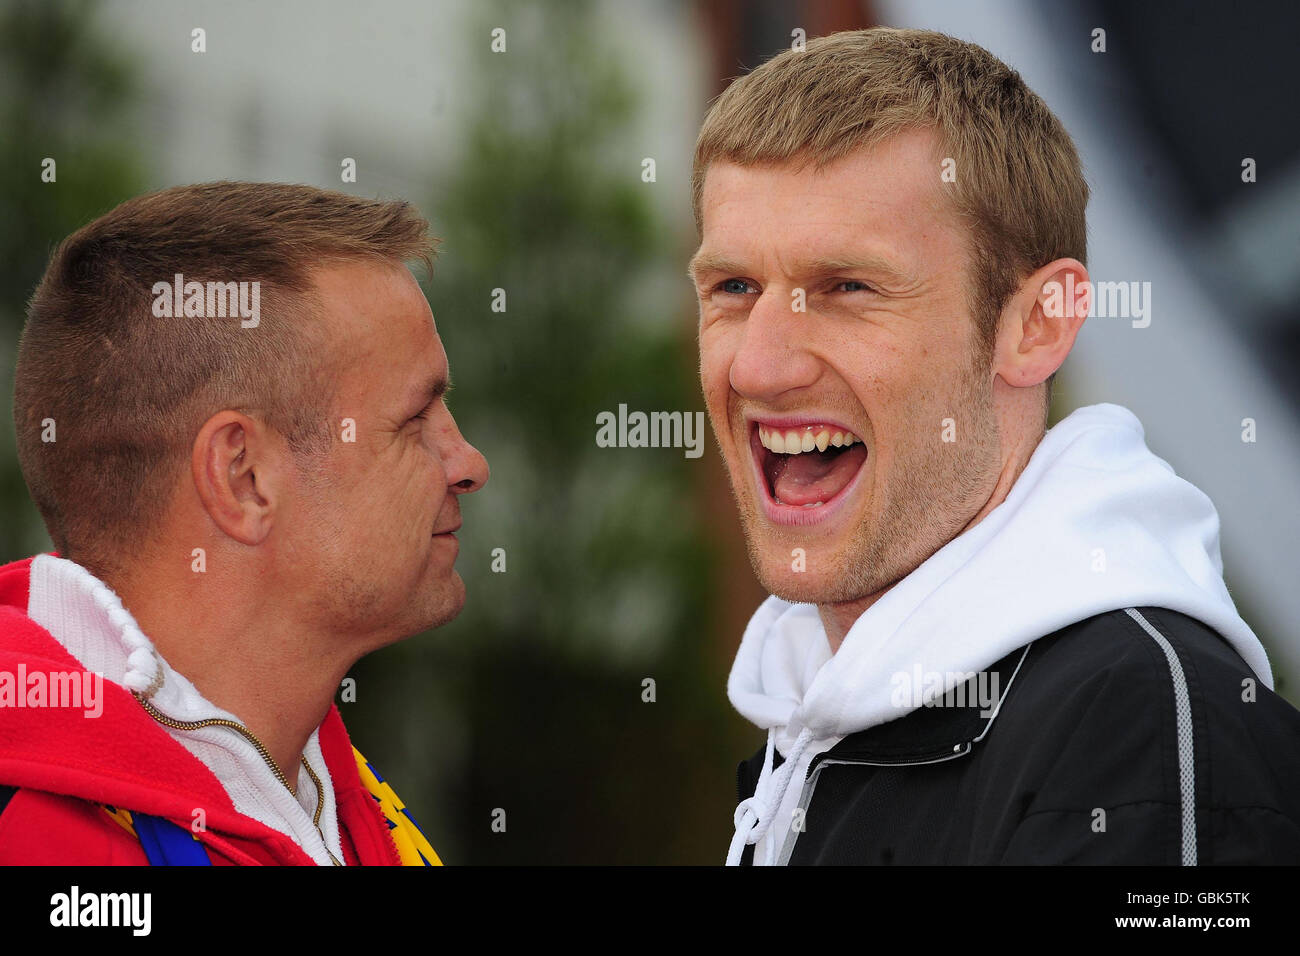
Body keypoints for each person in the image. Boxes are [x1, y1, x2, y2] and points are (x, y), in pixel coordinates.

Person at [688, 28, 1300, 865]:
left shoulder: (1145, 732)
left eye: (848, 288)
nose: (759, 364)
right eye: (734, 288)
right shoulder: (820, 720)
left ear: (1037, 324)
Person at [0, 182, 487, 865]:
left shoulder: (357, 814)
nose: (468, 463)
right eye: (415, 419)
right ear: (243, 478)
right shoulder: (26, 833)